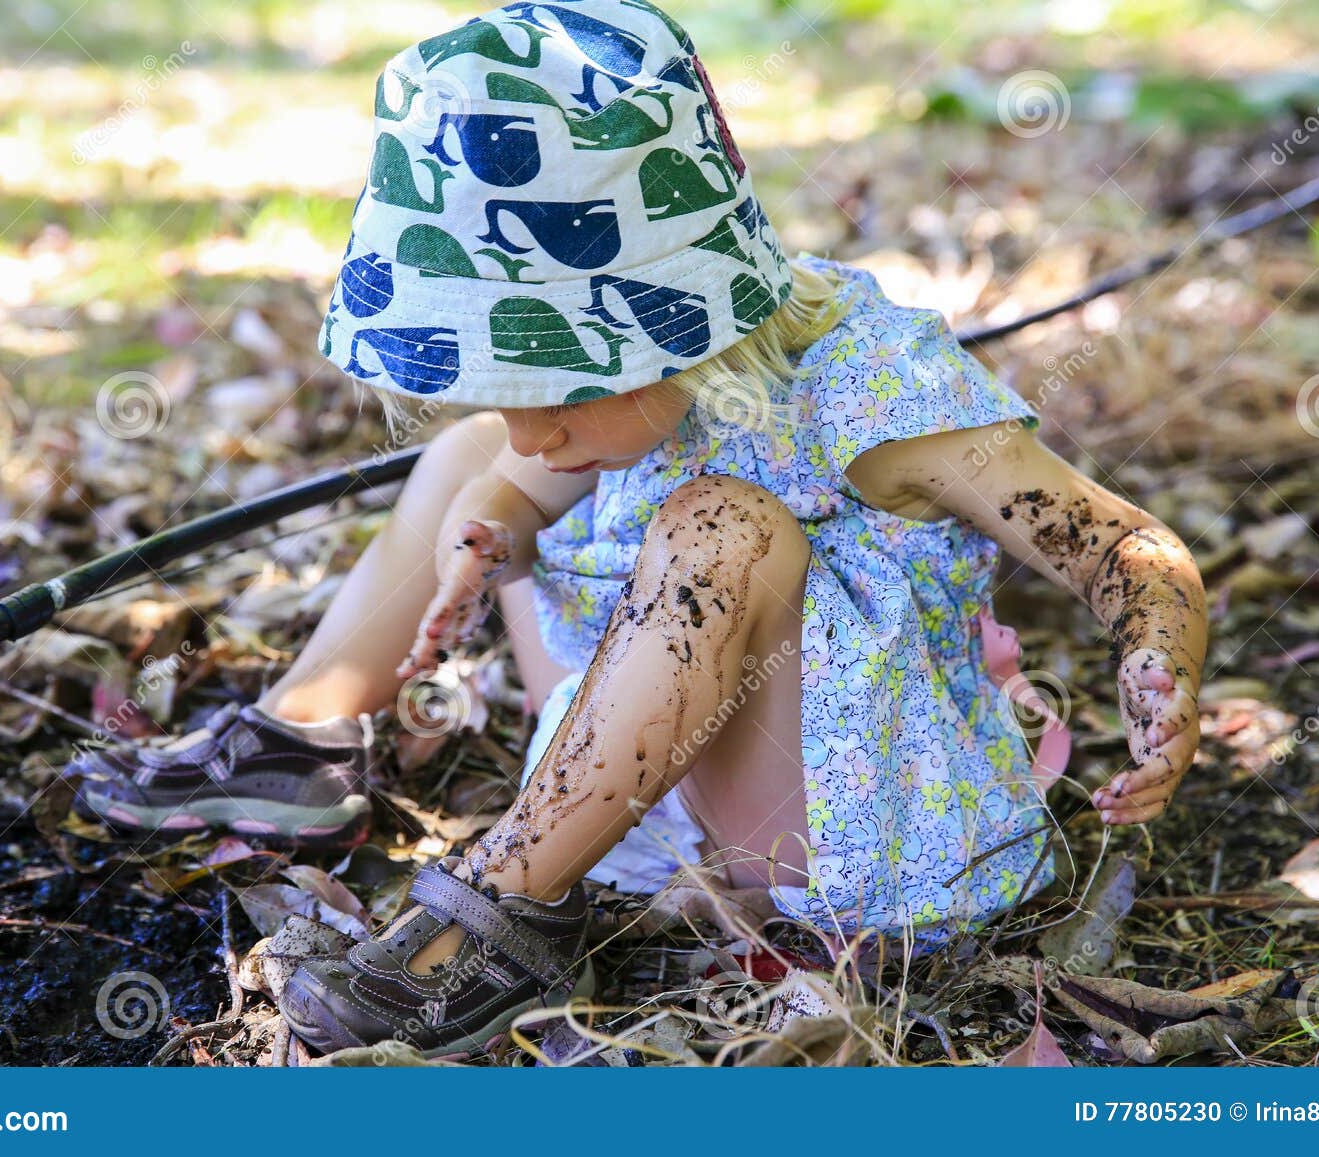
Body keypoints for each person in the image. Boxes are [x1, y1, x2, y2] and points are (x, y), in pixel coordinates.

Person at [66, 0, 1207, 1059]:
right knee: (474, 462)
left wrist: (1156, 648)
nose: (530, 423)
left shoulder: (874, 399)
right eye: (491, 377)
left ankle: (504, 910)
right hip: (644, 776)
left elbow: (1117, 548)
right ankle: (302, 737)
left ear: (675, 318)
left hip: (836, 831)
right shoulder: (597, 411)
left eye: (553, 385)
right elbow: (516, 478)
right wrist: (490, 528)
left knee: (726, 527)